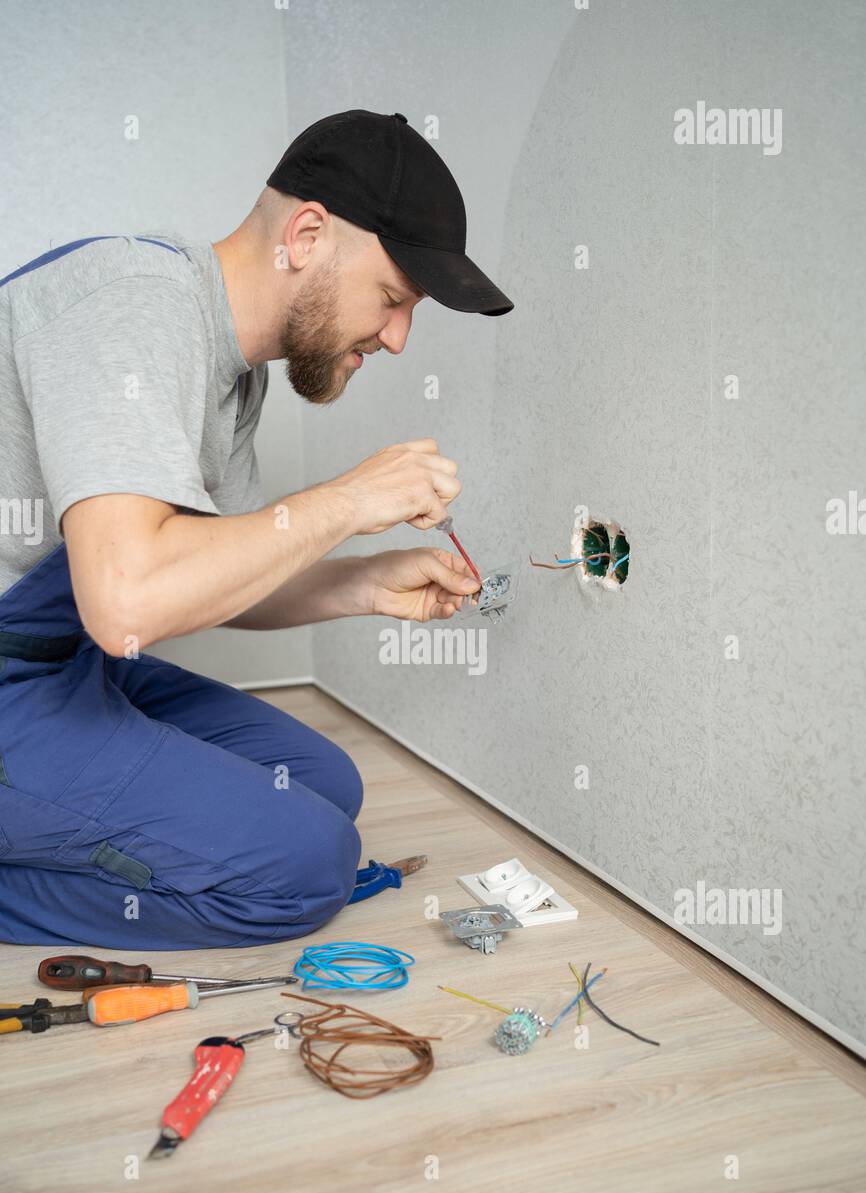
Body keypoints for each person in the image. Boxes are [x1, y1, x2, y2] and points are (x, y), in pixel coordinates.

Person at [0, 109, 514, 950]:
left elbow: (209, 574)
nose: (397, 337)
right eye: (392, 299)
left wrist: (364, 580)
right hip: (28, 673)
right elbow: (127, 604)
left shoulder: (234, 375)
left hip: (56, 662)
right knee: (305, 867)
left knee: (322, 783)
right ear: (307, 235)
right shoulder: (132, 308)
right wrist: (347, 498)